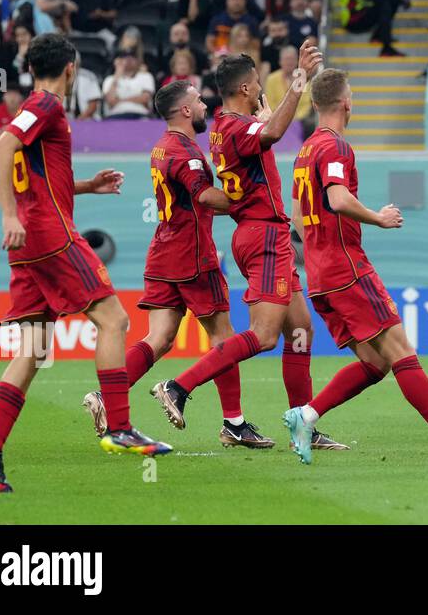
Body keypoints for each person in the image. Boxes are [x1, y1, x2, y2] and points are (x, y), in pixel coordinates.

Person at [0, 34, 170, 494]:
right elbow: (0, 151)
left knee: (34, 349)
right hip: (49, 236)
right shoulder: (48, 105)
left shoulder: (34, 107)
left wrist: (84, 186)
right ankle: (118, 426)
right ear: (72, 70)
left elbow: (32, 175)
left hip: (31, 241)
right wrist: (8, 215)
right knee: (115, 320)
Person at [283, 68, 428, 461]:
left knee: (375, 361)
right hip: (346, 268)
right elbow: (338, 199)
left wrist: (319, 248)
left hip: (320, 273)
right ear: (347, 102)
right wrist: (378, 218)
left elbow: (297, 213)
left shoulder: (305, 150)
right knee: (400, 349)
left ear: (314, 104)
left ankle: (306, 415)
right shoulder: (335, 147)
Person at [149, 43, 348, 454]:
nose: (261, 88)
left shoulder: (225, 125)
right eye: (257, 82)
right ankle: (178, 386)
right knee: (263, 335)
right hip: (264, 237)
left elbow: (266, 129)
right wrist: (299, 81)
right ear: (244, 87)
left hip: (260, 234)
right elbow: (272, 131)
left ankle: (302, 423)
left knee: (299, 330)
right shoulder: (238, 129)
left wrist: (270, 108)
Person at [81, 81, 271, 449]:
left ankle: (108, 397)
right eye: (198, 101)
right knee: (223, 338)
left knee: (160, 337)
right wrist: (250, 202)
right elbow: (205, 196)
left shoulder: (162, 147)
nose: (204, 106)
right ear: (185, 110)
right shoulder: (188, 154)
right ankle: (234, 423)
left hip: (163, 252)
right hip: (192, 256)